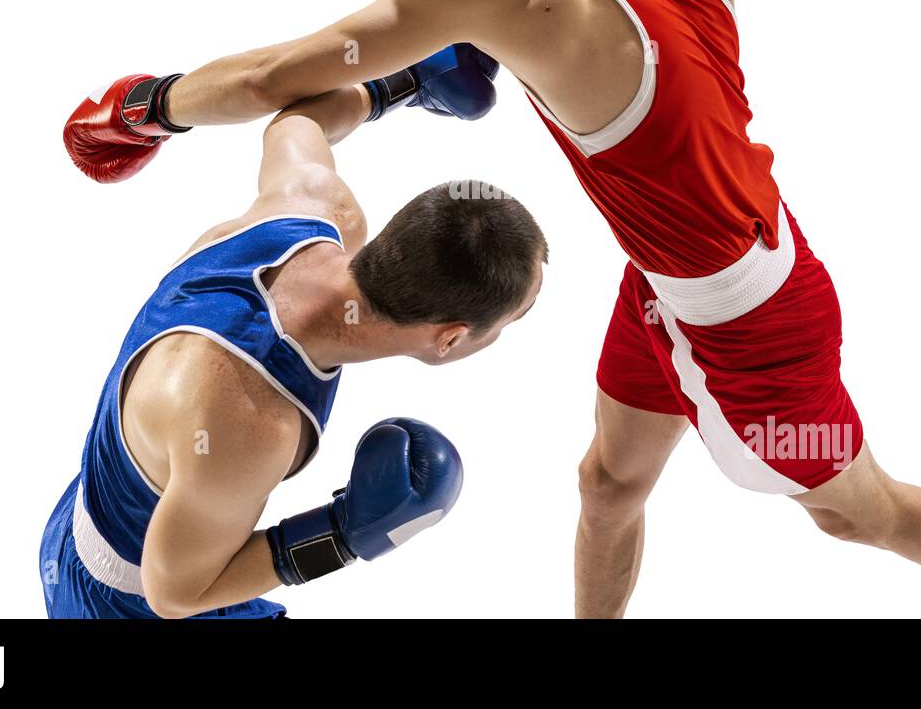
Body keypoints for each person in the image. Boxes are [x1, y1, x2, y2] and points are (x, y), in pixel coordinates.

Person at [62, 0, 921, 619]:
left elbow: (271, 80)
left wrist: (146, 108)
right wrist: (407, 82)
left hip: (757, 324)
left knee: (854, 512)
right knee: (606, 486)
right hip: (668, 286)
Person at [45, 66, 547, 617]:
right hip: (129, 601)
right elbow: (176, 595)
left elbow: (298, 120)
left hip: (109, 511)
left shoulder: (311, 207)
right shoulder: (247, 422)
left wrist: (404, 82)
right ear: (449, 339)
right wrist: (345, 532)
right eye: (512, 321)